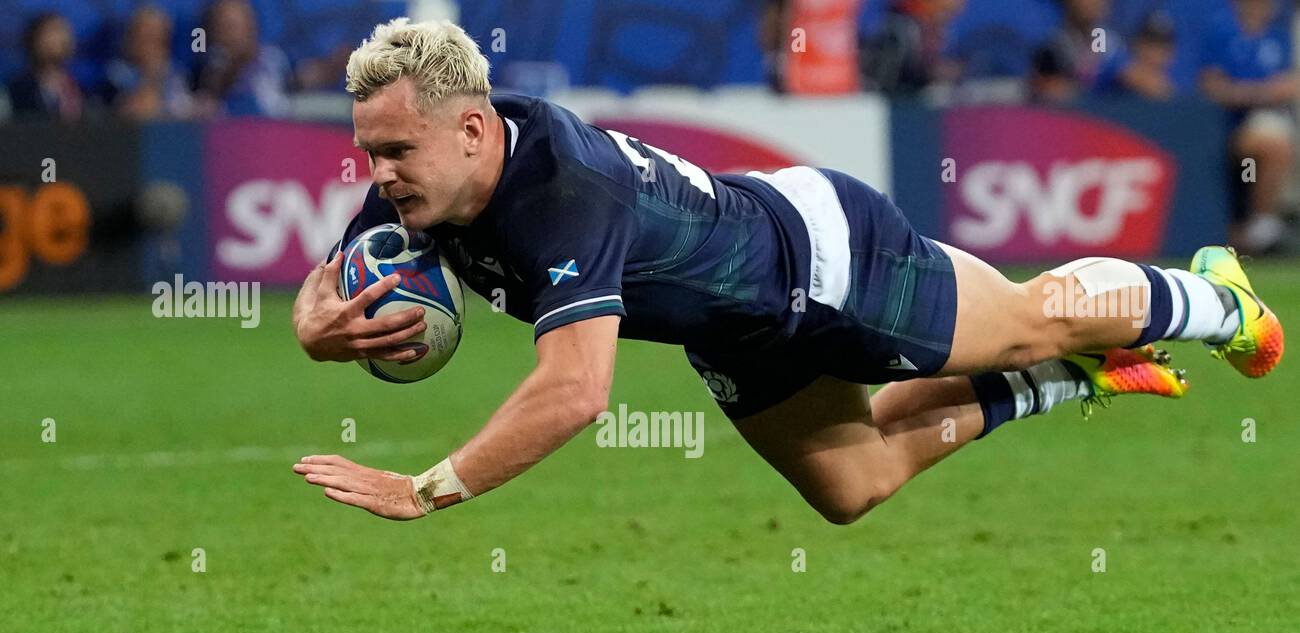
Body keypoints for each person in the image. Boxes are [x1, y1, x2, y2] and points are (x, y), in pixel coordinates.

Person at [291, 19, 1283, 524]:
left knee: (1028, 316)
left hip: (823, 257)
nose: (376, 178)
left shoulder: (563, 190)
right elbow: (324, 281)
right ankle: (1079, 377)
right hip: (738, 325)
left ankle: (1215, 298)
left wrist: (426, 489)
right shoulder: (423, 171)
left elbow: (575, 391)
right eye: (368, 153)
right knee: (854, 483)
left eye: (393, 155)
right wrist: (312, 326)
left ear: (470, 130)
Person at [1199, 0, 1298, 254]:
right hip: (1224, 127)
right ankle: (1262, 227)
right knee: (1272, 142)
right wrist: (1259, 93)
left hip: (1268, 118)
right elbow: (1211, 86)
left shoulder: (1278, 35)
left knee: (1273, 136)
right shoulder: (1222, 31)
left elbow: (1290, 84)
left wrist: (1245, 91)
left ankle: (1266, 225)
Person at [193, 0, 291, 117]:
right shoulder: (209, 65)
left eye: (237, 26)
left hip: (269, 128)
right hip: (225, 130)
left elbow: (281, 105)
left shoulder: (272, 59)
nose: (232, 35)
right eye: (225, 27)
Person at [104, 6, 195, 120]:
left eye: (154, 37)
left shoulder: (176, 74)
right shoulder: (116, 73)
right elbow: (136, 109)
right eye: (142, 36)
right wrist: (150, 78)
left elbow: (183, 109)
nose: (148, 44)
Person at [7, 12, 84, 121]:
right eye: (55, 31)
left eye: (65, 32)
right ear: (35, 39)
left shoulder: (77, 87)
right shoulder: (18, 89)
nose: (64, 39)